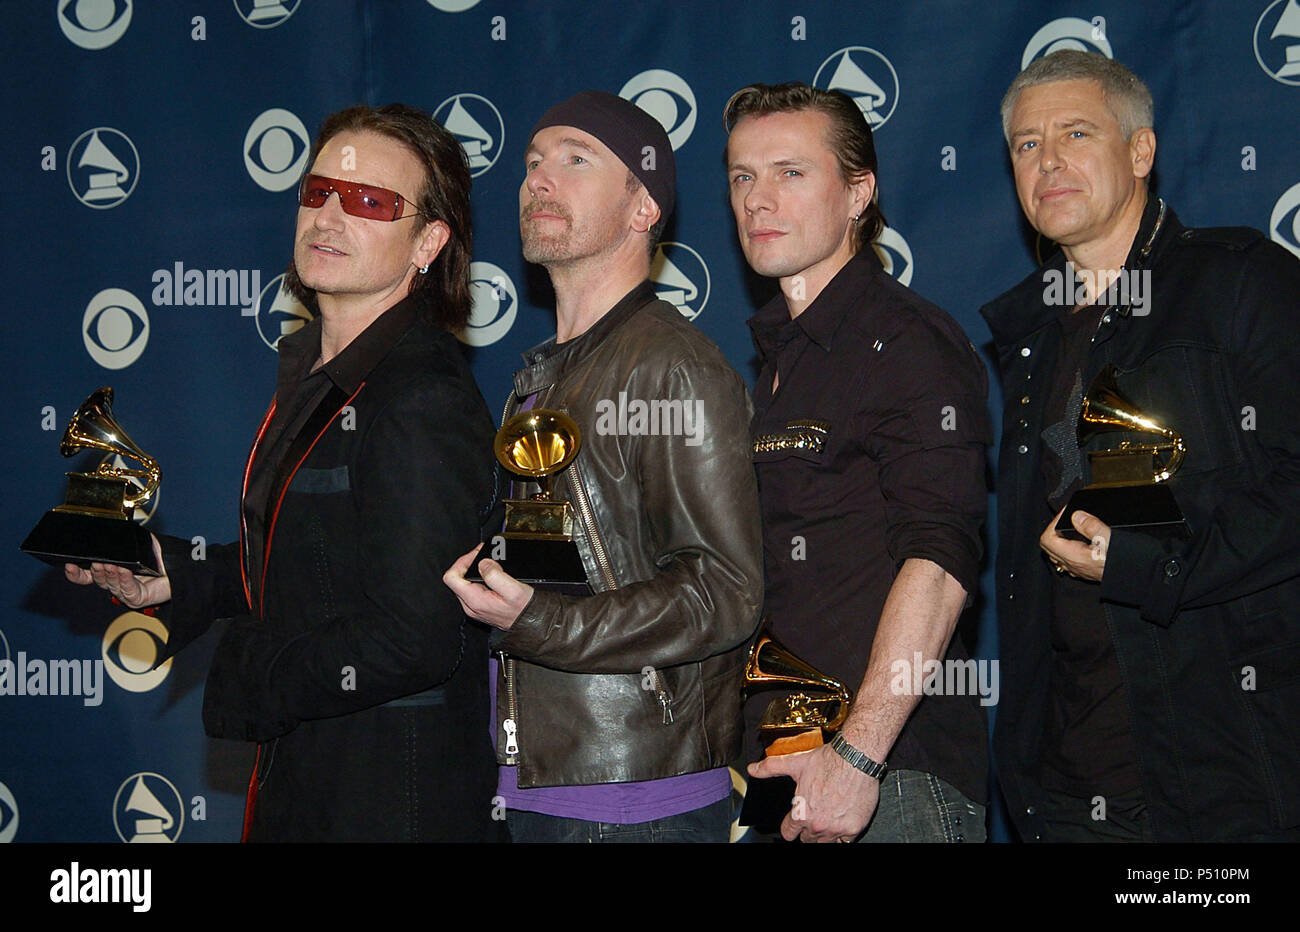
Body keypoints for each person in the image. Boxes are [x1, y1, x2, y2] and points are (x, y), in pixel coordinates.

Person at [66, 104, 503, 842]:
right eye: (317, 191)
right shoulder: (323, 374)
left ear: (428, 241)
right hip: (309, 783)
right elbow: (323, 559)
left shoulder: (418, 396)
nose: (330, 215)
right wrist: (179, 574)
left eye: (369, 202)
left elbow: (416, 636)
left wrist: (247, 673)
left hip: (386, 806)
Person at [982, 50, 1300, 842]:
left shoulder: (1239, 284)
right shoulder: (1028, 336)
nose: (1047, 160)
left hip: (1218, 783)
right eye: (1026, 144)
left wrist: (1139, 563)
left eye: (1076, 133)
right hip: (1062, 787)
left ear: (1141, 151)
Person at [443, 90, 763, 843]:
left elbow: (724, 592)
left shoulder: (673, 366)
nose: (539, 180)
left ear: (643, 206)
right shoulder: (539, 380)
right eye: (531, 164)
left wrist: (538, 620)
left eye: (576, 160)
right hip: (545, 783)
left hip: (633, 797)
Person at [725, 82, 991, 843]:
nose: (757, 199)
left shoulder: (907, 342)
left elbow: (940, 564)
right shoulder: (780, 362)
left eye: (790, 173)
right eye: (742, 176)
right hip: (790, 769)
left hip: (890, 779)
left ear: (859, 194)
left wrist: (860, 755)